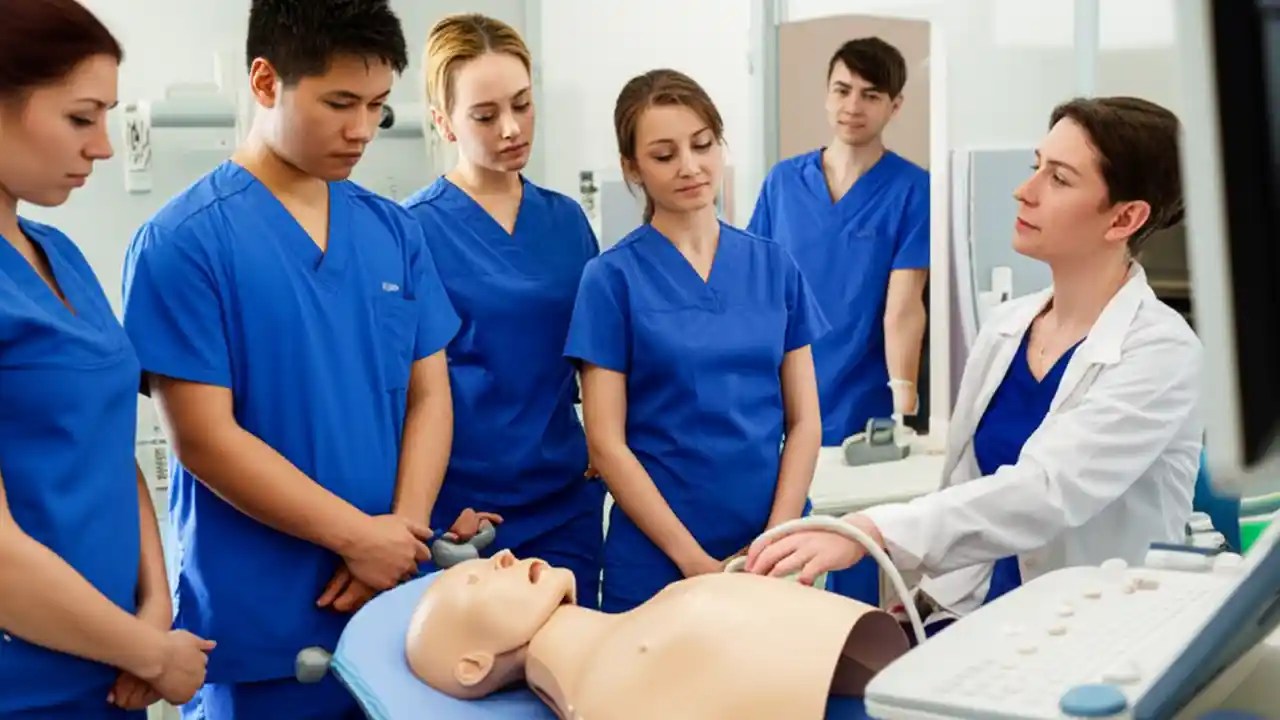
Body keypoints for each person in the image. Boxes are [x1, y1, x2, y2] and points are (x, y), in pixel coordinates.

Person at [119, 1, 461, 717]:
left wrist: (399, 536)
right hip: (263, 626)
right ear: (267, 81)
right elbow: (204, 439)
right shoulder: (184, 243)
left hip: (396, 610)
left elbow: (429, 393)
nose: (361, 129)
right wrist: (357, 539)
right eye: (339, 103)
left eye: (376, 106)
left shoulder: (392, 231)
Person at [747, 97, 1203, 632]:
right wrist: (920, 600)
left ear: (1125, 217)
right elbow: (964, 488)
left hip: (1089, 630)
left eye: (1058, 179)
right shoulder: (1006, 329)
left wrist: (872, 530)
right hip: (972, 616)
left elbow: (1044, 493)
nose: (1023, 190)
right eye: (1036, 166)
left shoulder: (1161, 352)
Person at [0, 2, 214, 718]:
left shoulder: (57, 255)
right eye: (80, 117)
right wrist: (150, 653)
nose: (104, 147)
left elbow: (107, 445)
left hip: (110, 671)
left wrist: (152, 611)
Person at [564, 69, 829, 613]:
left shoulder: (773, 265)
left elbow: (804, 422)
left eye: (703, 145)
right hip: (659, 560)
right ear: (631, 167)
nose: (690, 166)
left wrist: (773, 545)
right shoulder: (611, 279)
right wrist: (693, 562)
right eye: (664, 155)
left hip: (773, 550)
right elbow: (606, 444)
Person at [402, 13, 605, 607]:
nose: (512, 128)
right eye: (486, 116)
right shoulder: (412, 232)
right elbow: (400, 393)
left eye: (523, 104)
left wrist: (601, 441)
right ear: (442, 121)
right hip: (466, 515)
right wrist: (431, 510)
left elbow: (595, 358)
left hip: (565, 503)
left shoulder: (566, 222)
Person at [405, 550, 909, 719]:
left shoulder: (649, 617)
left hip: (882, 677)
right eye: (473, 581)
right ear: (472, 666)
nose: (502, 557)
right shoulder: (605, 698)